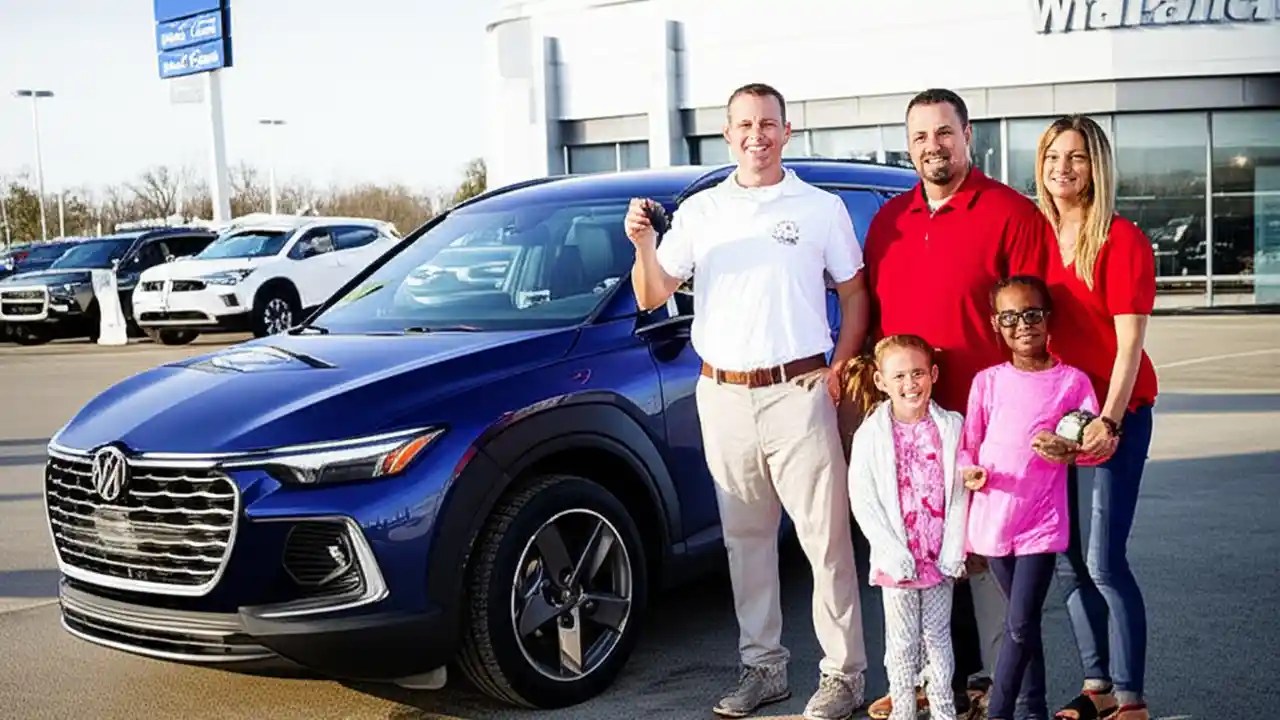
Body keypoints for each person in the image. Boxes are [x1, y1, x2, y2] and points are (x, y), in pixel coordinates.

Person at [624, 82, 870, 720]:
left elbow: (854, 294)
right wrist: (643, 245)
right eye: (744, 125)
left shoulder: (820, 208)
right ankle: (764, 669)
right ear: (728, 135)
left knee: (825, 541)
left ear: (787, 131)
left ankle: (844, 675)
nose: (756, 135)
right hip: (724, 395)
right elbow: (652, 294)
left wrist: (841, 367)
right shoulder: (702, 212)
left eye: (767, 124)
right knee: (746, 540)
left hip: (800, 391)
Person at [861, 88, 1053, 719]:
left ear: (968, 135)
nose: (932, 146)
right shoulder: (890, 221)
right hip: (916, 422)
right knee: (927, 551)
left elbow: (1037, 320)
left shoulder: (1010, 213)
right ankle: (936, 682)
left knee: (991, 560)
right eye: (919, 136)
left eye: (944, 132)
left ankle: (1004, 687)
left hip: (992, 418)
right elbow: (875, 321)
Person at [1032, 115, 1160, 720]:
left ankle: (1131, 699)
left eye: (1076, 157)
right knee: (1069, 561)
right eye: (1053, 156)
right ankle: (1097, 686)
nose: (1062, 167)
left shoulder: (1121, 239)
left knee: (1105, 559)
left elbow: (1129, 345)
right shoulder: (1038, 237)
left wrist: (1108, 422)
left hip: (1116, 412)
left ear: (1097, 167)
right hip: (1060, 418)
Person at [959, 276, 1100, 720]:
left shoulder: (1072, 382)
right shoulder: (987, 382)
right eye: (1010, 317)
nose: (1023, 325)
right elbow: (968, 444)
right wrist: (969, 471)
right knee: (1024, 624)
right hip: (994, 519)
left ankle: (1000, 711)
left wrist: (1070, 450)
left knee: (1019, 622)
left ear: (1048, 318)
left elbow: (1092, 443)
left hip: (1042, 521)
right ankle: (1032, 709)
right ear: (995, 324)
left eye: (1032, 314)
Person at [846, 334, 971, 720]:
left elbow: (960, 493)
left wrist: (954, 549)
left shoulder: (951, 427)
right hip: (897, 563)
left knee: (938, 638)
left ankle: (943, 709)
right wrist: (890, 551)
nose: (910, 384)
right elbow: (863, 499)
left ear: (933, 375)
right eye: (899, 376)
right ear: (881, 381)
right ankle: (903, 709)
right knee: (901, 644)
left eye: (918, 373)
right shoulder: (870, 434)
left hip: (937, 560)